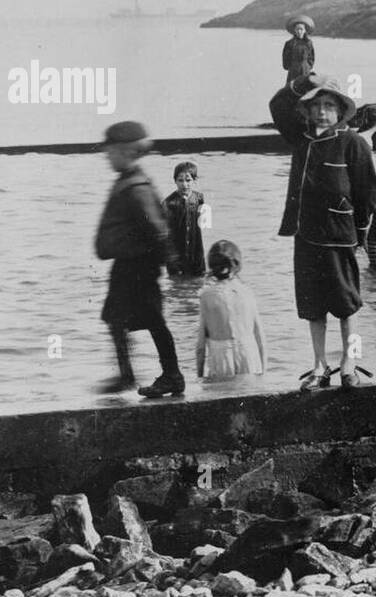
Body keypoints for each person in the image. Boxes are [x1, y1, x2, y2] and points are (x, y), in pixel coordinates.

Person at [270, 73, 376, 391]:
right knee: (312, 306)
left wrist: (359, 233)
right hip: (305, 234)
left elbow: (368, 193)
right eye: (316, 105)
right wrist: (304, 80)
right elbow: (277, 105)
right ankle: (319, 366)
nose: (322, 111)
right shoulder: (301, 141)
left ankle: (349, 364)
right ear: (308, 110)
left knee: (348, 304)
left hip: (340, 236)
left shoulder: (354, 143)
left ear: (340, 111)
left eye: (329, 105)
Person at [94, 121, 184, 397]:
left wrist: (169, 259)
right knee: (115, 318)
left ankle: (172, 375)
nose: (107, 156)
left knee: (154, 320)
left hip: (140, 266)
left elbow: (157, 228)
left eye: (110, 151)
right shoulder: (128, 182)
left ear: (126, 152)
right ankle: (127, 375)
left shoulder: (136, 188)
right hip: (127, 263)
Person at [195, 240, 267, 379]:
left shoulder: (206, 296)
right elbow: (260, 338)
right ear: (237, 264)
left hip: (221, 357)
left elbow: (200, 347)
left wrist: (199, 377)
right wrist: (264, 372)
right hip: (248, 353)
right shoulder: (247, 292)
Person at [163, 161, 206, 278]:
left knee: (197, 280)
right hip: (177, 252)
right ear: (175, 181)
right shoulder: (169, 203)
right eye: (180, 180)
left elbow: (203, 223)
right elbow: (166, 233)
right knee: (177, 282)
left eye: (188, 180)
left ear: (194, 180)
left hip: (195, 249)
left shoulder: (199, 198)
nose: (184, 184)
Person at [282, 15, 316, 85]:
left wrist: (307, 66)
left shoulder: (308, 43)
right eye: (297, 29)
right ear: (294, 31)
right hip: (293, 72)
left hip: (305, 71)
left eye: (301, 29)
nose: (299, 31)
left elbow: (311, 58)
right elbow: (285, 60)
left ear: (305, 31)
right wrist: (292, 67)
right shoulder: (289, 43)